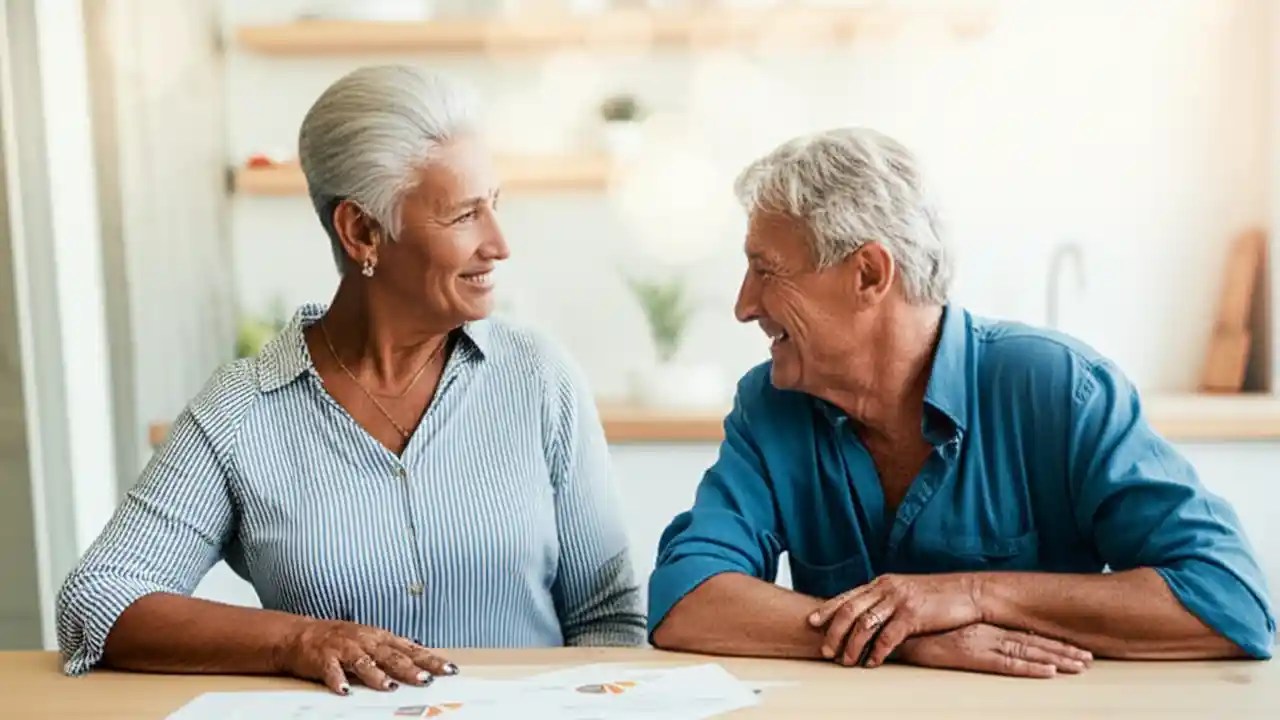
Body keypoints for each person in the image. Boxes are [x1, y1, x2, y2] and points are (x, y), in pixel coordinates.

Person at [56, 65, 645, 694]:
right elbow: (97, 599)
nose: (499, 244)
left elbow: (606, 619)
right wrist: (298, 641)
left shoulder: (538, 379)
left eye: (495, 205)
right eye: (464, 216)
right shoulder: (242, 411)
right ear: (362, 230)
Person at [647, 127, 1275, 677]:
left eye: (767, 270)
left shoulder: (1059, 387)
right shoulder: (772, 404)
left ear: (868, 273)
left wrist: (974, 594)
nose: (744, 305)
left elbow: (1231, 602)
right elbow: (684, 598)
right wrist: (903, 637)